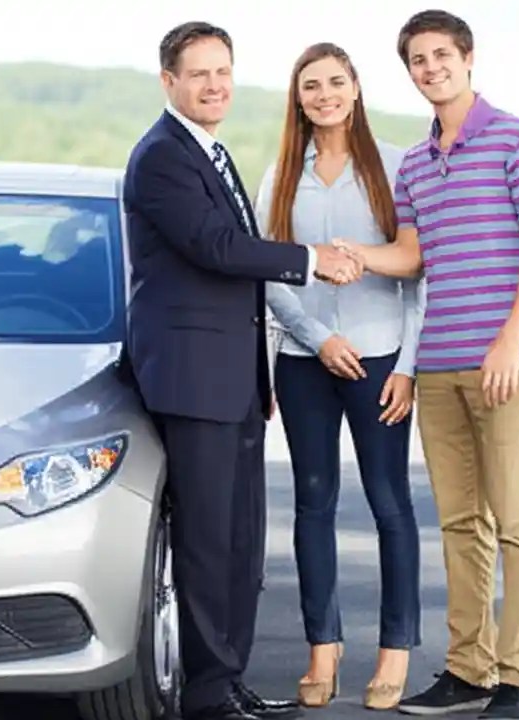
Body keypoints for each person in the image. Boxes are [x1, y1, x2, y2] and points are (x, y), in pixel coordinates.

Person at [122, 20, 361, 720]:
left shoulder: (212, 152)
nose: (215, 84)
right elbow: (218, 246)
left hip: (231, 383)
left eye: (223, 70)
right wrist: (312, 259)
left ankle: (227, 682)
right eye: (199, 73)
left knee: (237, 542)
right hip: (193, 384)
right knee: (204, 544)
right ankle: (206, 693)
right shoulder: (161, 156)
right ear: (169, 81)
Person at [334, 10, 519, 720]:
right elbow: (411, 255)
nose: (430, 68)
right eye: (418, 61)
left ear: (467, 58)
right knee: (462, 524)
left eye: (441, 56)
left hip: (506, 364)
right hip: (436, 368)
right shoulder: (415, 163)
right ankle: (471, 672)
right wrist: (356, 257)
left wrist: (510, 338)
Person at [252, 42, 425, 712]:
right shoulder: (281, 175)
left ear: (355, 88)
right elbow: (269, 269)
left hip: (382, 361)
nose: (323, 95)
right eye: (310, 86)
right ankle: (323, 649)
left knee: (389, 503)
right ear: (298, 99)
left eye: (334, 82)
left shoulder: (398, 164)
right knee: (312, 503)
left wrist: (407, 366)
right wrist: (318, 339)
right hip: (305, 361)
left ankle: (394, 651)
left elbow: (418, 273)